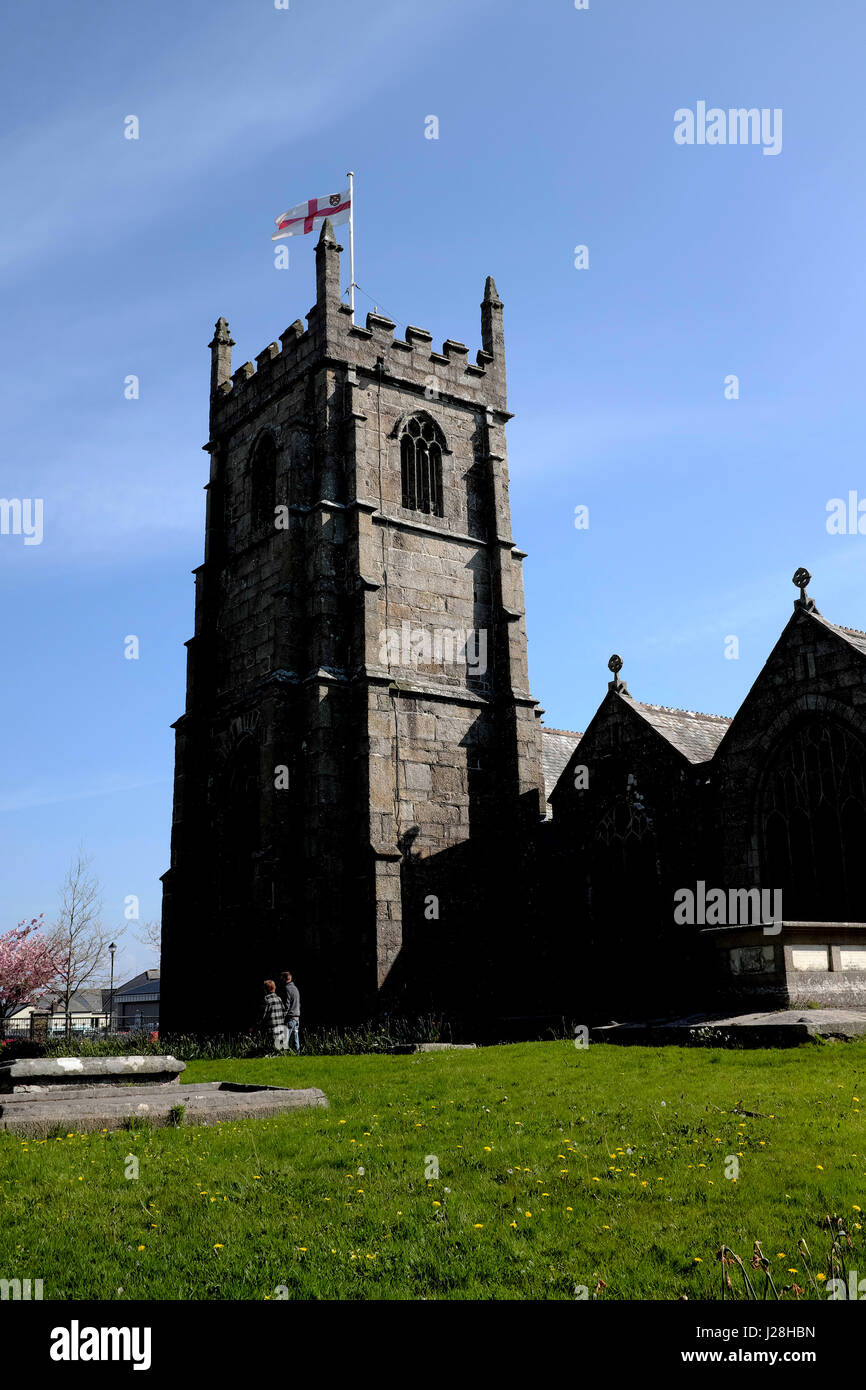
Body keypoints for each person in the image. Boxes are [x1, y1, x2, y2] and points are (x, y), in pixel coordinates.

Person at [261, 979, 287, 1054]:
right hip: (280, 1027)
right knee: (280, 1048)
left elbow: (263, 1015)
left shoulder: (266, 999)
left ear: (266, 989)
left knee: (271, 1049)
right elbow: (284, 1012)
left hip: (271, 1028)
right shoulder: (279, 999)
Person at [279, 970, 301, 1052]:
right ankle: (297, 1053)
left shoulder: (287, 989)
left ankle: (284, 1055)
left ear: (284, 979)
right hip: (297, 1016)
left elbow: (286, 1005)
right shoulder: (295, 988)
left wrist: (282, 1016)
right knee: (295, 1038)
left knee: (285, 1040)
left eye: (281, 978)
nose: (280, 980)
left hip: (290, 1017)